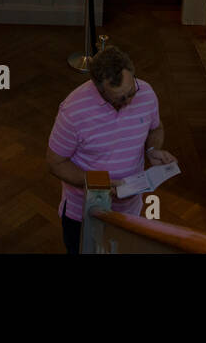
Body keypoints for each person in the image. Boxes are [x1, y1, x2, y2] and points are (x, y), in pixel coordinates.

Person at [45, 46, 176, 255]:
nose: (129, 102)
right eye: (120, 99)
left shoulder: (146, 93)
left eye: (131, 92)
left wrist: (152, 150)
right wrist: (99, 184)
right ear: (99, 89)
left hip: (129, 213)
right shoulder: (73, 111)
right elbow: (55, 163)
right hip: (84, 214)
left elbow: (156, 128)